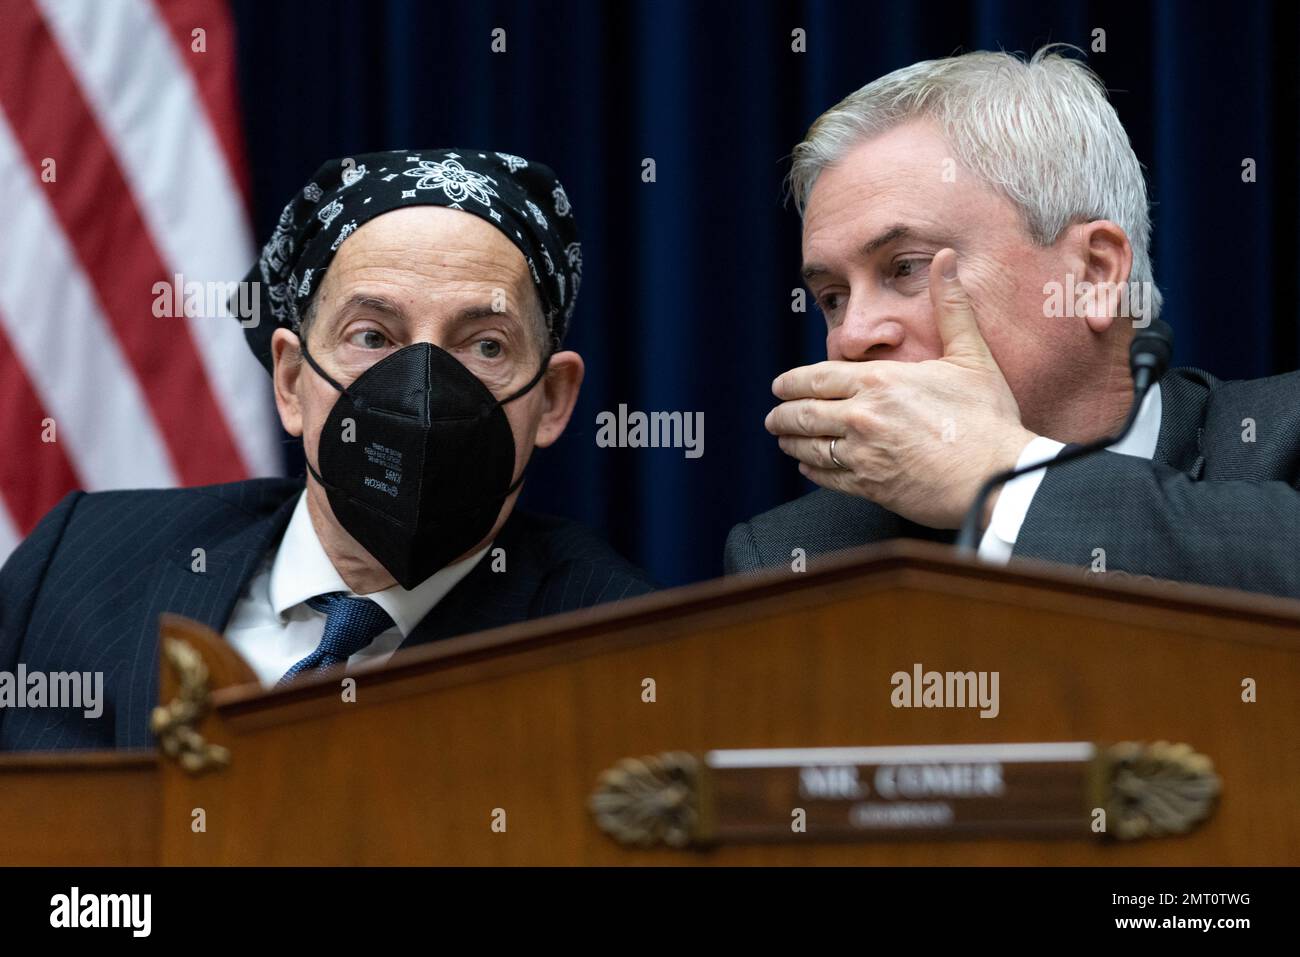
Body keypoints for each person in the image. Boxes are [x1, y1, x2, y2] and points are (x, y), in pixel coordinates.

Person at [0, 148, 654, 751]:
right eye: (371, 336)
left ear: (553, 399)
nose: (420, 387)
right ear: (291, 381)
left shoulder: (618, 650)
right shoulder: (82, 561)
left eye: (486, 345)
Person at [726, 47, 1300, 599]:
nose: (851, 336)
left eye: (906, 267)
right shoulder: (796, 556)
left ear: (1094, 274)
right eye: (832, 297)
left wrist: (1006, 479)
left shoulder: (1282, 438)